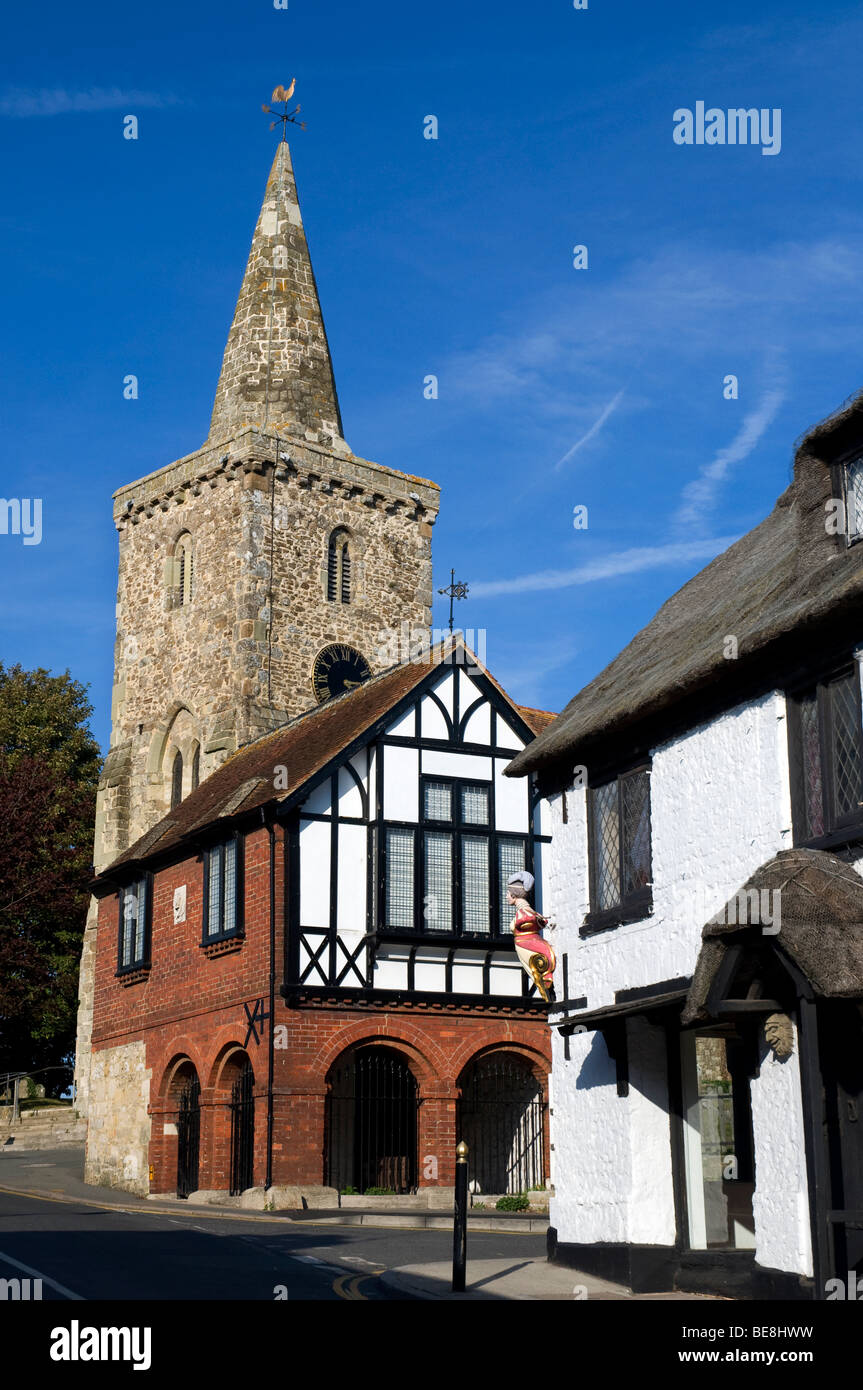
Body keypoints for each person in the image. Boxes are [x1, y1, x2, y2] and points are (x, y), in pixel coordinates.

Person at [506, 871, 556, 1003]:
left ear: (514, 895)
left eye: (508, 893)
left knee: (537, 974)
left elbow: (528, 920)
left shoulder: (523, 913)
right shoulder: (526, 911)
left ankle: (547, 993)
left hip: (528, 946)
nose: (506, 897)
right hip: (526, 946)